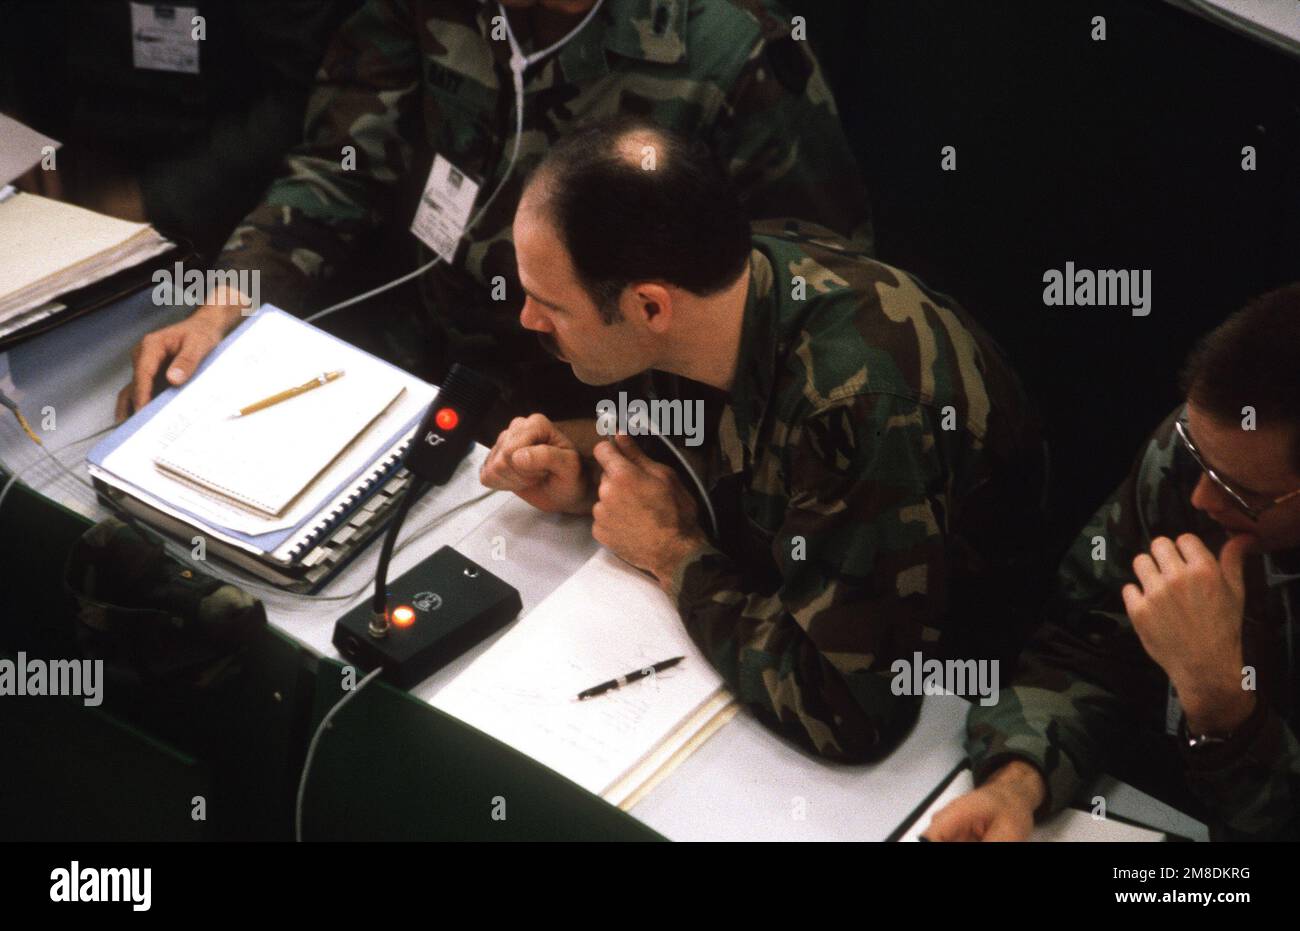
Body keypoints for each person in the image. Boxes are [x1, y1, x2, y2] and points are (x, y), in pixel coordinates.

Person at [480, 117, 1045, 761]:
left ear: (650, 308)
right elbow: (718, 458)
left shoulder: (859, 410)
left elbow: (849, 710)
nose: (528, 320)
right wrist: (588, 470)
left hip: (956, 719)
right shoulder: (724, 283)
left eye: (550, 304)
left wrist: (673, 553)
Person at [117, 0, 871, 429]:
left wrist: (626, 443)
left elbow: (807, 301)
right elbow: (340, 164)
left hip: (613, 418)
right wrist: (230, 302)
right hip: (424, 370)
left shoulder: (735, 54)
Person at [925, 283, 1300, 841]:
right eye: (1196, 454)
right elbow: (1085, 652)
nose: (1200, 499)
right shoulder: (1199, 457)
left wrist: (1223, 707)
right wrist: (1018, 781)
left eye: (1239, 492)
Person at [1, 0, 356, 254]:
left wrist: (158, 198)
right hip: (54, 168)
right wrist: (11, 114)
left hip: (218, 191)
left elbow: (304, 98)